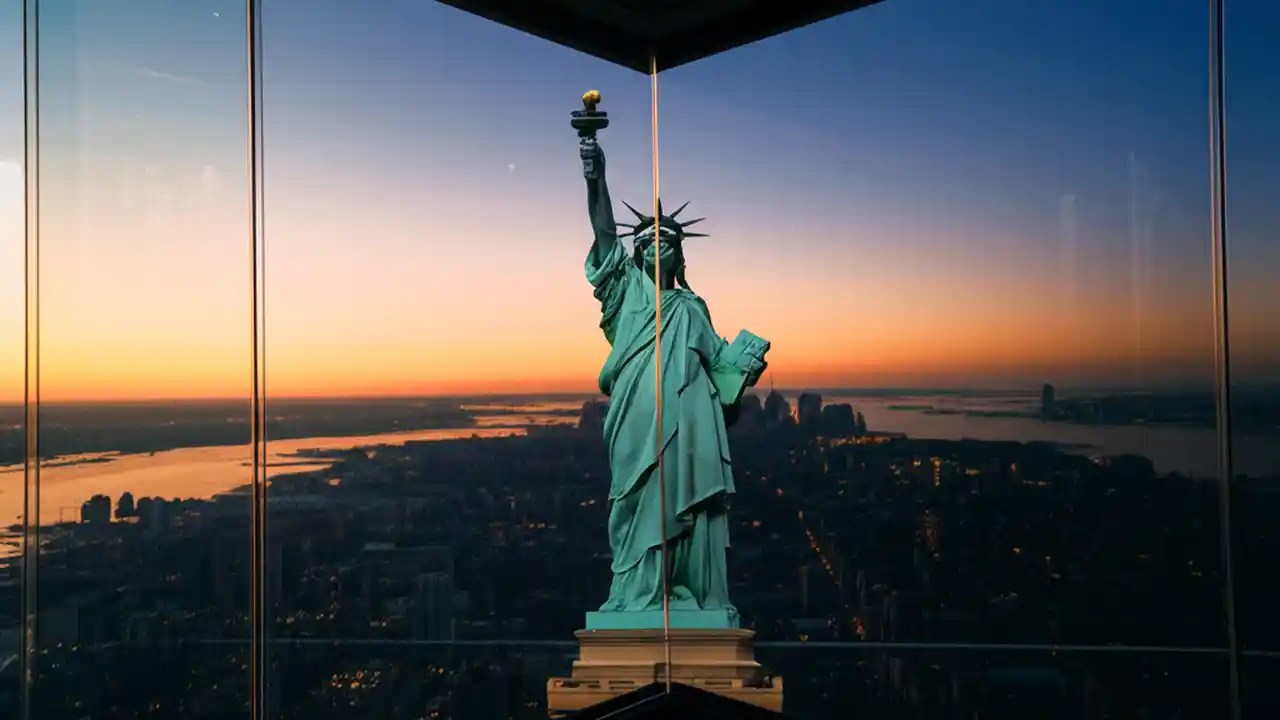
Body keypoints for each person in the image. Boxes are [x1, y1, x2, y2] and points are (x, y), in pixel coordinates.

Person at [580, 134, 769, 622]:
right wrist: (595, 177)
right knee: (634, 498)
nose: (658, 244)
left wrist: (744, 364)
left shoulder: (691, 307)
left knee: (684, 501)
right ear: (637, 254)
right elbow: (604, 236)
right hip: (636, 418)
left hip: (688, 423)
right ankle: (635, 592)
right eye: (647, 241)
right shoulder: (625, 297)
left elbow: (720, 371)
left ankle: (682, 589)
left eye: (668, 240)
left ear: (680, 256)